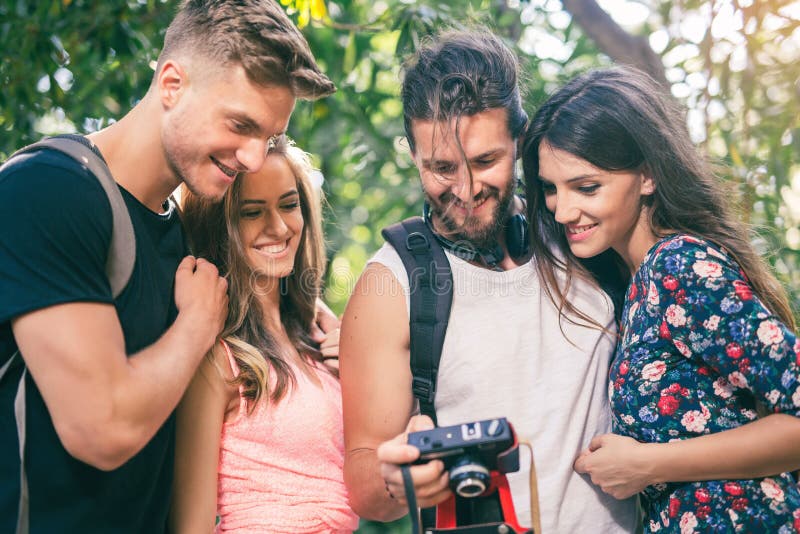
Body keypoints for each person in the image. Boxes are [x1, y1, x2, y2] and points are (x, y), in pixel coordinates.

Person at [0, 1, 334, 532]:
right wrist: (194, 328)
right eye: (240, 124)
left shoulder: (179, 234)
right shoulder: (48, 191)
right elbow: (101, 430)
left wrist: (317, 323)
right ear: (172, 83)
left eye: (267, 137)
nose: (251, 158)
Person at [339, 29, 638, 532]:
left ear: (520, 141)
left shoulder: (581, 231)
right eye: (441, 168)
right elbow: (366, 485)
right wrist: (398, 477)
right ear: (412, 154)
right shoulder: (388, 286)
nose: (467, 188)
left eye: (485, 161)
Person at [522, 65, 800, 532]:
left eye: (586, 187)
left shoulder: (679, 267)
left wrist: (649, 464)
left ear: (648, 176)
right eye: (551, 188)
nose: (563, 210)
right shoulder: (634, 283)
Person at [170, 135, 359, 533]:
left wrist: (362, 367)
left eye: (289, 205)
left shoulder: (316, 335)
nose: (278, 227)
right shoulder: (218, 356)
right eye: (252, 212)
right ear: (220, 226)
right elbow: (191, 526)